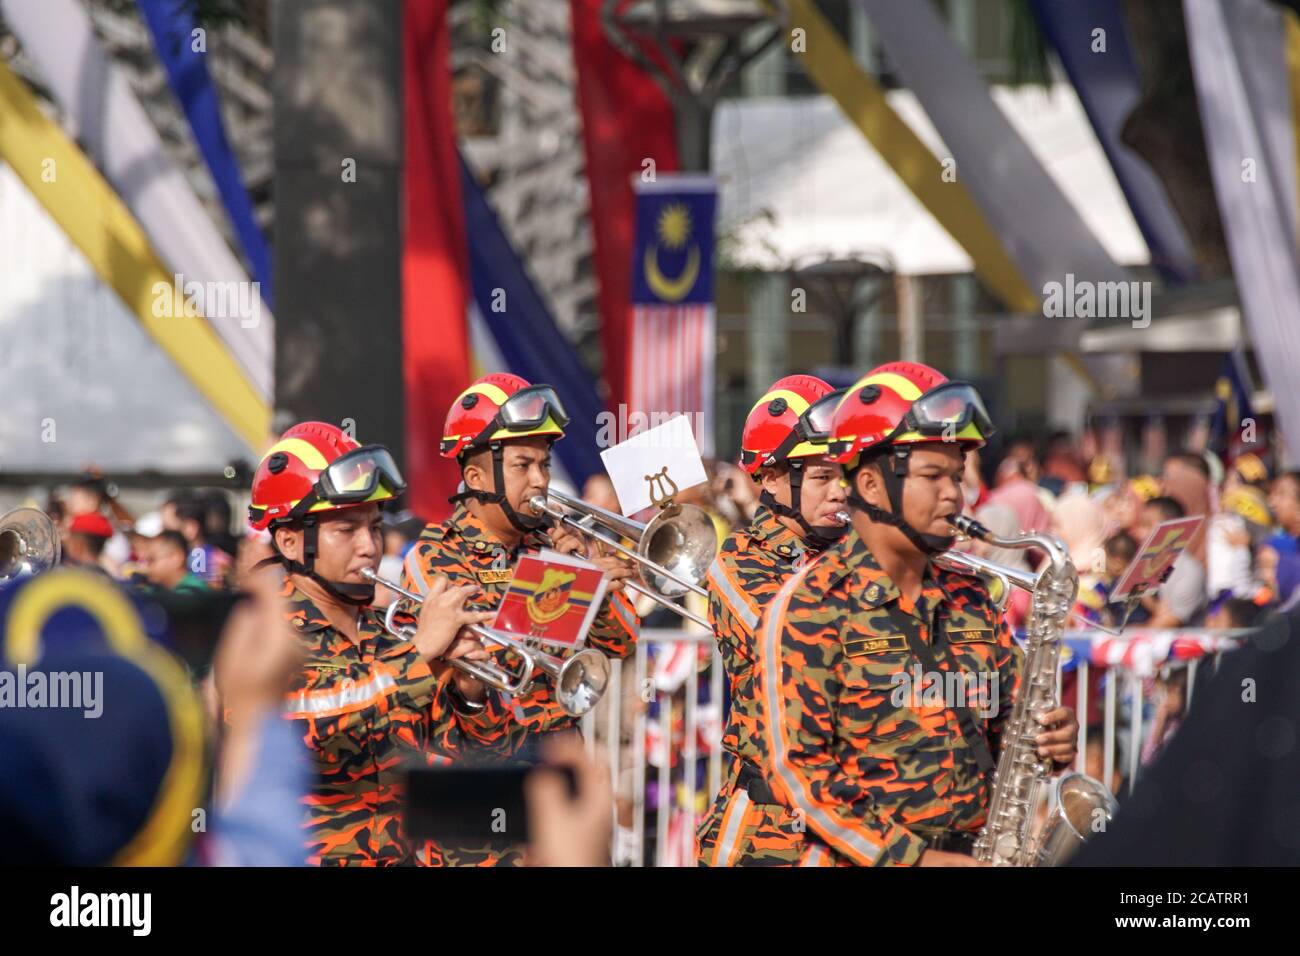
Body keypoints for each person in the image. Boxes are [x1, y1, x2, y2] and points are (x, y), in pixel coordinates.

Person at [750, 362, 1077, 866]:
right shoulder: (809, 606)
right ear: (871, 485)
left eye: (957, 475)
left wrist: (1050, 737)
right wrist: (918, 861)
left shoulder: (973, 598)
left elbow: (1012, 721)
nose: (954, 493)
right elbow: (800, 774)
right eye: (932, 475)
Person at [247, 420, 516, 866]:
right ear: (292, 542)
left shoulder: (391, 633)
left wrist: (470, 694)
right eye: (345, 531)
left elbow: (473, 758)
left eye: (373, 527)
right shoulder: (260, 633)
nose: (370, 546)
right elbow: (306, 732)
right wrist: (419, 657)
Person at [400, 376, 639, 859]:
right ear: (477, 477)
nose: (541, 480)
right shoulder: (437, 556)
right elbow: (487, 670)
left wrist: (597, 588)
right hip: (481, 792)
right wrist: (566, 588)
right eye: (522, 465)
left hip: (558, 782)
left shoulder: (554, 542)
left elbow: (622, 643)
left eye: (544, 464)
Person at [696, 374, 849, 866]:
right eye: (824, 477)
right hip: (771, 833)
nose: (841, 491)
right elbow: (799, 646)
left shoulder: (860, 556)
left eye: (845, 474)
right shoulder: (739, 561)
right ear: (771, 478)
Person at [143, 530, 210, 593]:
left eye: (151, 559)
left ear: (176, 558)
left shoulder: (193, 592)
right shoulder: (160, 588)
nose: (145, 565)